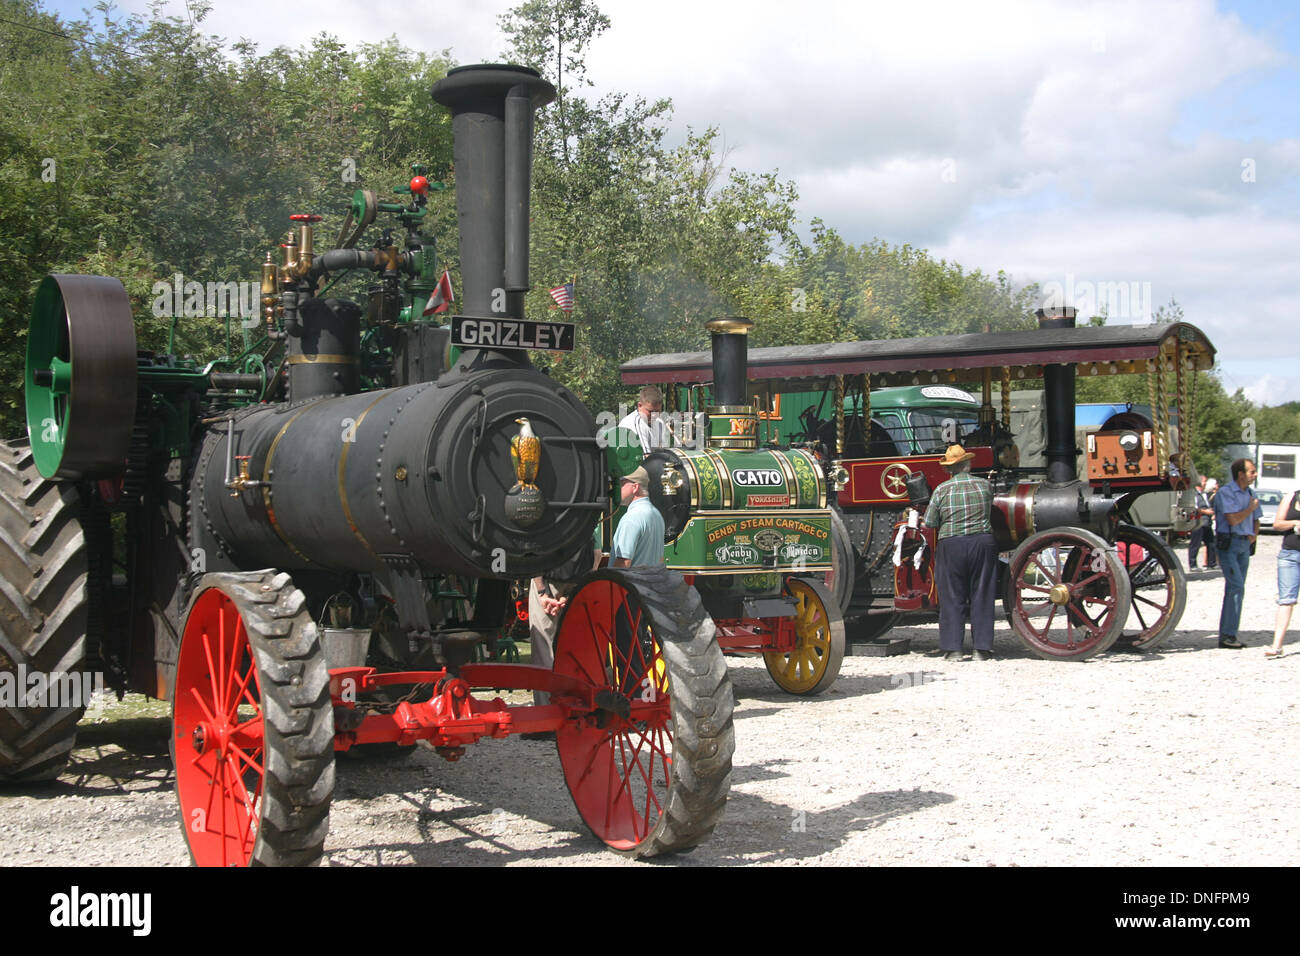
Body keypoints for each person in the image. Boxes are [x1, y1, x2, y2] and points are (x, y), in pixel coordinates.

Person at [923, 444, 997, 661]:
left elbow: (930, 522)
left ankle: (954, 648)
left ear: (948, 469)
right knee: (982, 593)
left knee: (952, 595)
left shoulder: (941, 490)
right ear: (968, 464)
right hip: (982, 541)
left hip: (952, 544)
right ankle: (981, 649)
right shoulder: (985, 486)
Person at [1214, 458, 1262, 649]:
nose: (1255, 474)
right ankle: (1227, 635)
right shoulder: (1226, 493)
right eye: (1251, 471)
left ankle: (1230, 633)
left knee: (1237, 588)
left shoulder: (1251, 493)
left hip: (1243, 544)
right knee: (1236, 587)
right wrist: (1249, 508)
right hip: (1229, 544)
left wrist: (1253, 536)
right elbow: (1233, 519)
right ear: (1240, 474)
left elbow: (1257, 518)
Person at [1266, 489, 1300, 658]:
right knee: (1286, 599)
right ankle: (1277, 646)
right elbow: (1277, 524)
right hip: (1290, 555)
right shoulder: (1291, 497)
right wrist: (1295, 523)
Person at [611, 467, 665, 567]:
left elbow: (623, 563)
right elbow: (660, 560)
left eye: (621, 484)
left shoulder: (631, 518)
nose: (617, 490)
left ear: (635, 487)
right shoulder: (657, 514)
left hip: (631, 582)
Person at [618, 385, 668, 455]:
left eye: (657, 411)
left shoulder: (659, 422)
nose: (654, 415)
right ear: (640, 405)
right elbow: (647, 458)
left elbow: (665, 452)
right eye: (650, 411)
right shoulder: (634, 424)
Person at [1188, 475, 1217, 571]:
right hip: (1197, 522)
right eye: (1204, 481)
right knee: (1195, 544)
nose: (1206, 483)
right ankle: (1193, 565)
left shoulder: (1205, 494)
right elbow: (1193, 508)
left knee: (1211, 543)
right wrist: (1205, 512)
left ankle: (1211, 563)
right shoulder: (1193, 494)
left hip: (1206, 522)